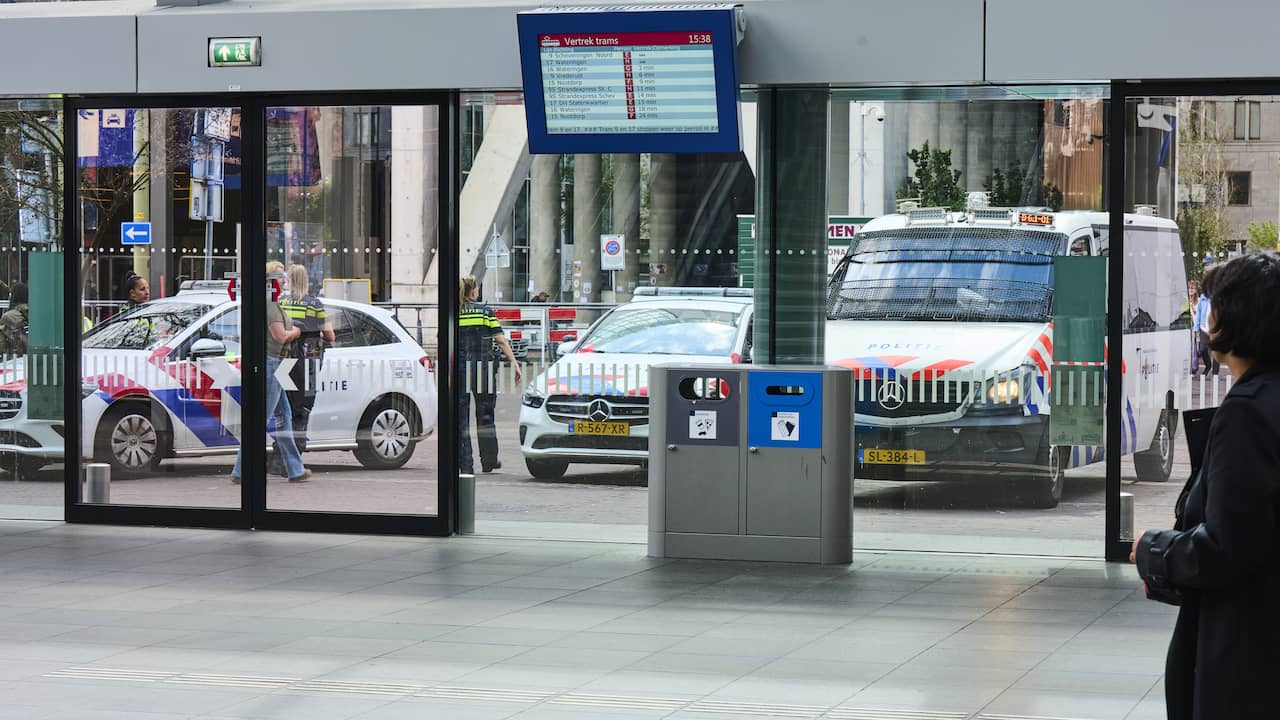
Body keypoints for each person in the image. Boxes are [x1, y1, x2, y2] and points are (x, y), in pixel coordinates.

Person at [1131, 252, 1280, 719]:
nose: (1206, 315)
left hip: (1248, 651)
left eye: (1212, 305)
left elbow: (1229, 545)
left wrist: (1155, 550)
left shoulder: (1247, 413)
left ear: (1236, 319)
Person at [231, 262, 311, 484]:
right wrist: (296, 331)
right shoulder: (270, 304)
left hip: (273, 364)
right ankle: (240, 470)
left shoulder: (268, 302)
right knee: (262, 419)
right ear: (269, 281)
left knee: (283, 418)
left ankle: (295, 469)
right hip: (272, 364)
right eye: (279, 277)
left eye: (283, 276)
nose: (284, 280)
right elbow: (281, 336)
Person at [457, 275, 520, 474]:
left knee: (461, 418)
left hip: (460, 369)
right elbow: (500, 340)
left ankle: (466, 463)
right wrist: (514, 363)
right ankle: (489, 460)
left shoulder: (455, 312)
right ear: (473, 291)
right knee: (485, 414)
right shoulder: (485, 312)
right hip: (483, 369)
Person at [279, 264, 334, 452]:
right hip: (310, 353)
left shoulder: (281, 302)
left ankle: (284, 446)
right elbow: (330, 335)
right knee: (305, 401)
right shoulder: (314, 304)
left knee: (287, 400)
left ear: (289, 280)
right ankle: (298, 443)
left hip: (286, 354)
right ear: (306, 280)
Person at [1193, 286, 1219, 375]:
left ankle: (1215, 373)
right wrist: (1196, 327)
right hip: (1204, 327)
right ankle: (1208, 366)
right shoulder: (1203, 297)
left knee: (1215, 351)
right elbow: (1199, 312)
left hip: (1215, 328)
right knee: (1202, 349)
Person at [0, 283, 30, 356]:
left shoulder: (8, 316)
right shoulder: (36, 314)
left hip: (16, 358)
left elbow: (2, 344)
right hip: (35, 355)